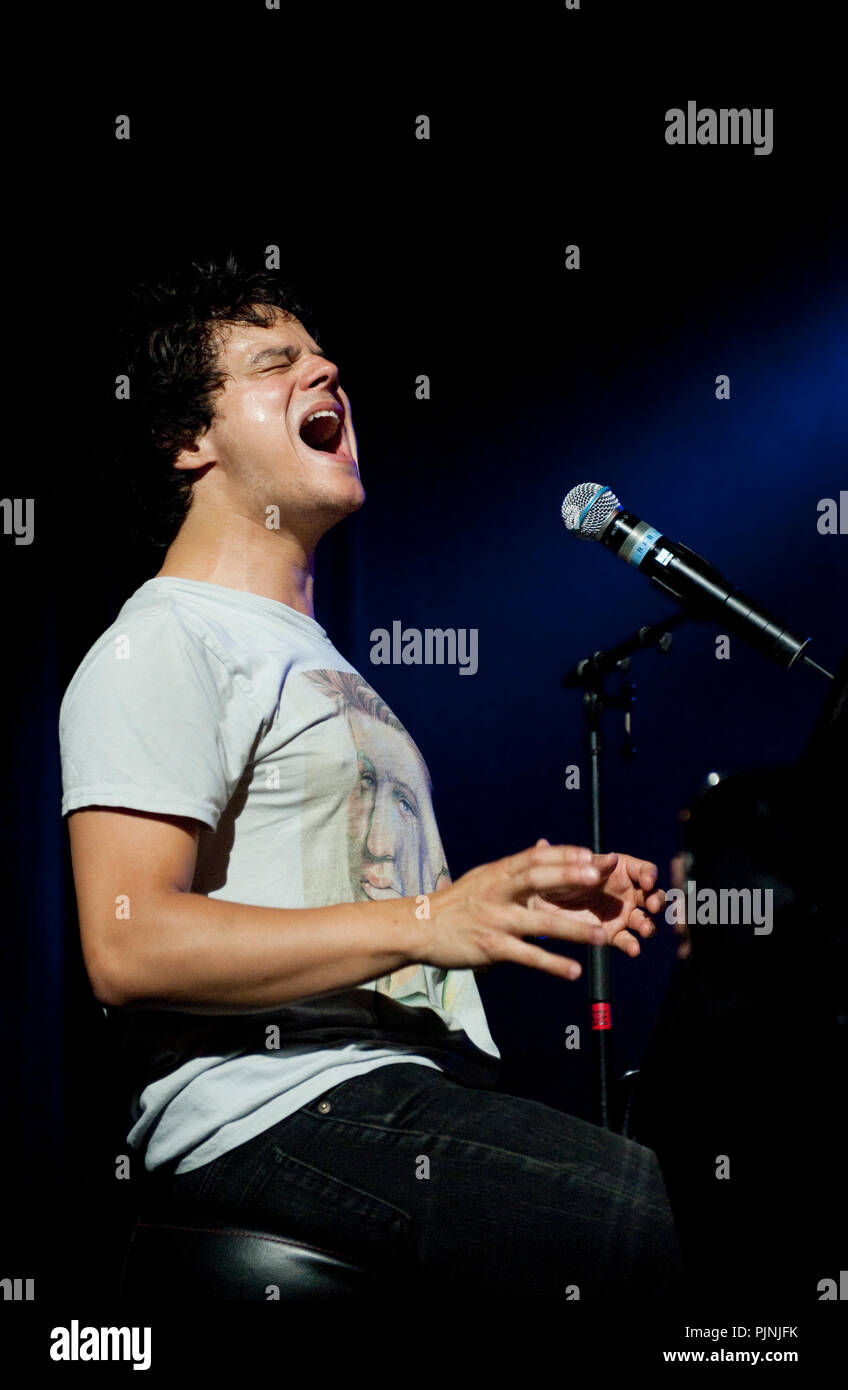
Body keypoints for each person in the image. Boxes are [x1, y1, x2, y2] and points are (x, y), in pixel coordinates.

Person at [60, 254, 682, 1300]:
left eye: (324, 355)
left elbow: (376, 903)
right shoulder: (164, 637)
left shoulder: (322, 663)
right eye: (276, 362)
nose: (328, 370)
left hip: (399, 1090)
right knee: (664, 1219)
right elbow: (127, 943)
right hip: (275, 1104)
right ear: (187, 441)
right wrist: (429, 916)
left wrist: (519, 895)